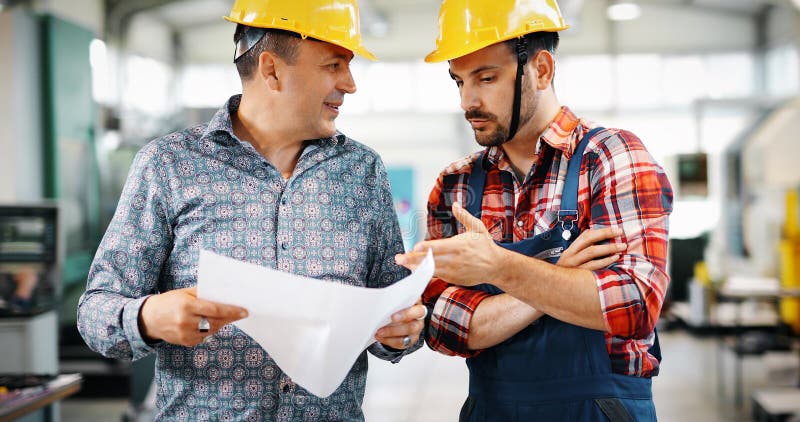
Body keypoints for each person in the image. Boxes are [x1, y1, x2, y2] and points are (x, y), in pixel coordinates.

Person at [77, 0, 425, 420]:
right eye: (334, 65)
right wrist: (150, 316)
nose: (349, 84)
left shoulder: (361, 171)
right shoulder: (169, 166)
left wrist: (401, 333)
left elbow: (393, 311)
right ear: (272, 69)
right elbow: (95, 312)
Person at [395, 0, 674, 420]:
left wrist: (496, 268)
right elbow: (443, 326)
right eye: (459, 81)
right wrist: (562, 278)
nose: (468, 100)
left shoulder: (612, 158)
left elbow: (634, 303)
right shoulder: (456, 185)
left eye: (486, 78)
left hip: (601, 408)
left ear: (541, 69)